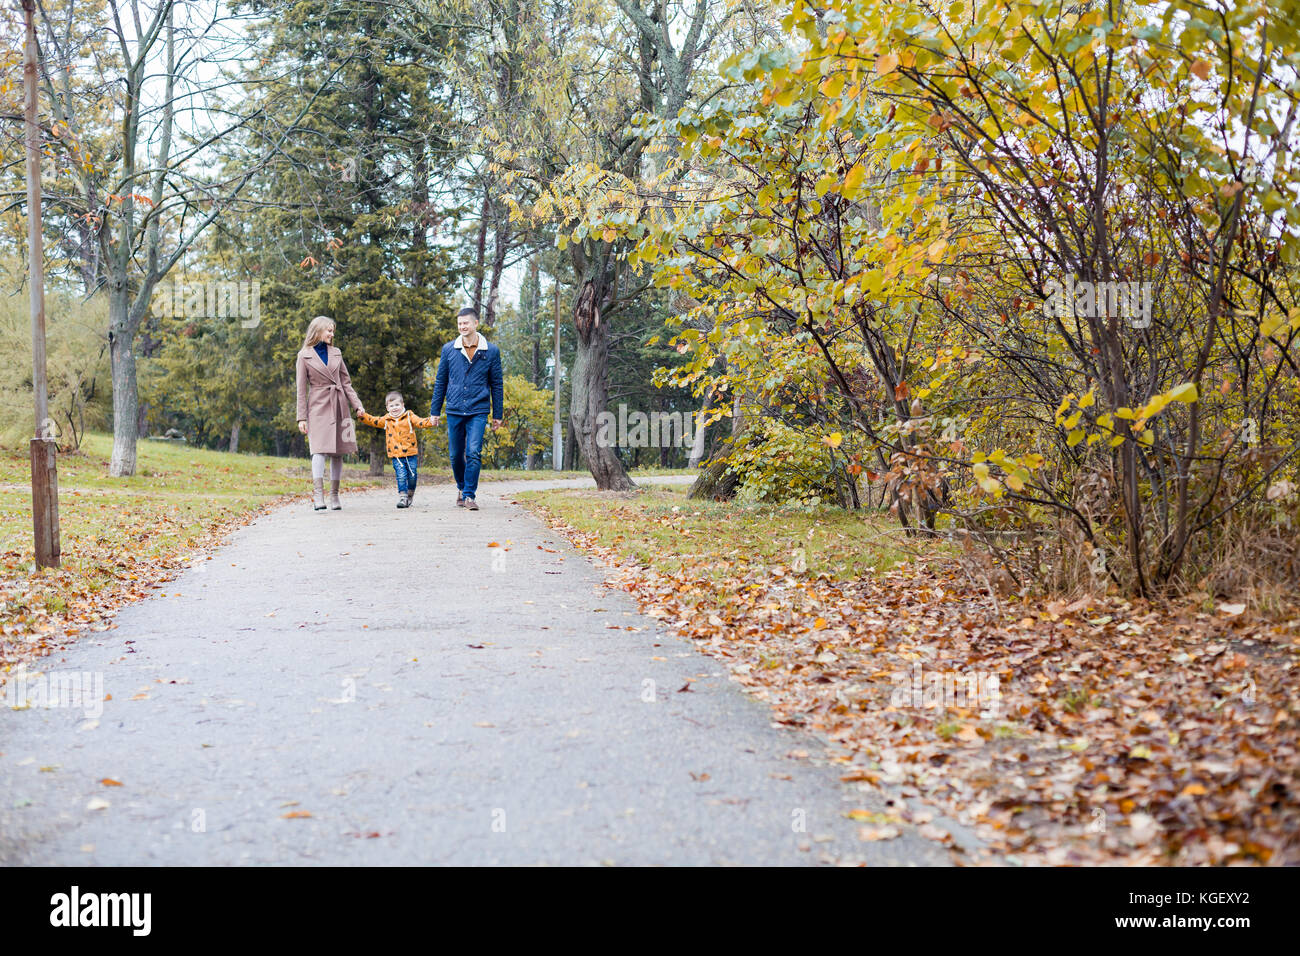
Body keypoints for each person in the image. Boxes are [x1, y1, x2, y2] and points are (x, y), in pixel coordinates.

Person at [429, 308, 503, 511]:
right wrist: (435, 411)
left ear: (475, 324)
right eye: (459, 324)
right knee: (455, 455)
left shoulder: (491, 351)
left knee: (473, 452)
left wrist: (498, 414)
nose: (462, 327)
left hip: (478, 410)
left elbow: (497, 384)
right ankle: (461, 487)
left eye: (466, 323)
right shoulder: (449, 350)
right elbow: (440, 382)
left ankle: (469, 495)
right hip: (454, 409)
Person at [295, 315, 365, 510]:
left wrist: (357, 405)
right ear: (317, 330)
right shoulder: (304, 355)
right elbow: (301, 389)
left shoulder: (337, 353)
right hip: (317, 407)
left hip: (340, 404)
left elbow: (346, 382)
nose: (332, 334)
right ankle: (319, 496)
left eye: (333, 331)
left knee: (338, 452)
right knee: (318, 450)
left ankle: (334, 496)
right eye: (329, 330)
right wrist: (301, 417)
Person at [357, 391, 437, 509]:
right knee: (401, 475)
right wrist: (362, 416)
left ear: (402, 404)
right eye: (391, 406)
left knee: (412, 475)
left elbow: (420, 422)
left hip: (410, 453)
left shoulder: (409, 416)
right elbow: (374, 420)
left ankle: (410, 494)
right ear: (387, 407)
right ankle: (403, 497)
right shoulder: (387, 420)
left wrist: (431, 421)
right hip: (396, 454)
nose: (394, 408)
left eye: (397, 405)